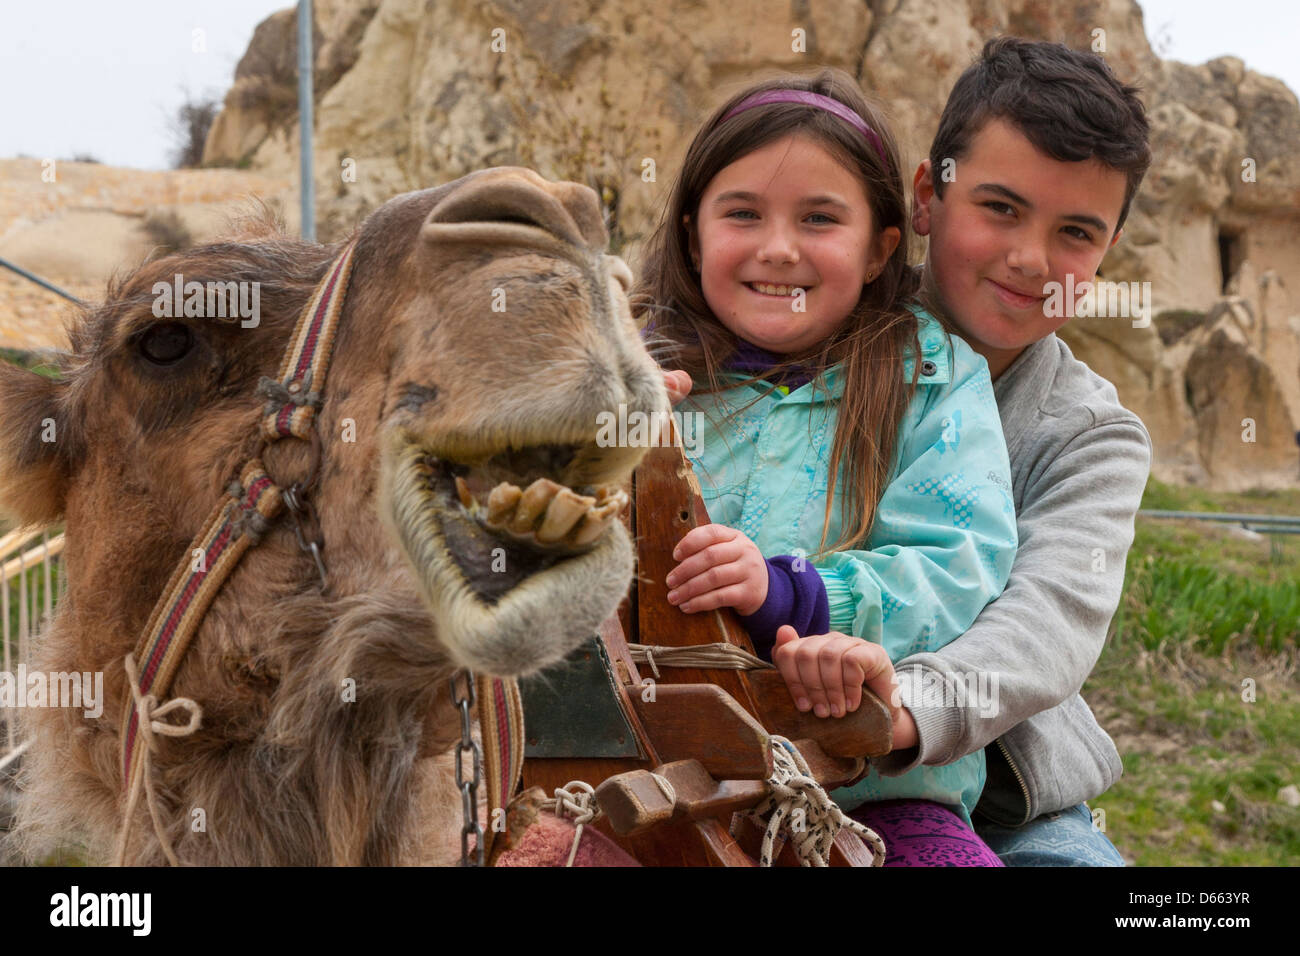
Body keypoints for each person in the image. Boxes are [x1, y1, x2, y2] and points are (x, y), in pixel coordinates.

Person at [633, 68, 1019, 865]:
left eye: (819, 218)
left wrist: (799, 597)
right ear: (693, 231)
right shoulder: (628, 368)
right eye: (742, 213)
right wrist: (604, 446)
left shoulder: (931, 375)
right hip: (641, 768)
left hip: (873, 792)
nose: (779, 249)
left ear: (882, 248)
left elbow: (960, 566)